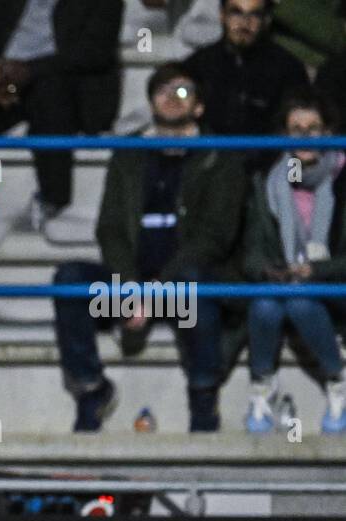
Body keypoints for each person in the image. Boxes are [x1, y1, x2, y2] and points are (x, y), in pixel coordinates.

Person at [51, 63, 243, 433]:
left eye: (183, 91)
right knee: (69, 280)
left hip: (181, 294)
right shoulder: (130, 154)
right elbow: (109, 228)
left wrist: (151, 292)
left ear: (199, 107)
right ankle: (93, 389)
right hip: (132, 288)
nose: (171, 98)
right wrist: (128, 285)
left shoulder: (220, 156)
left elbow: (214, 237)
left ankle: (203, 401)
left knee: (196, 282)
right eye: (162, 90)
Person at [0, 0, 125, 230]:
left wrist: (31, 71)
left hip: (68, 83)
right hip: (7, 77)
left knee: (50, 92)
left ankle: (53, 197)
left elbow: (95, 52)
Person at [240, 88, 346, 434]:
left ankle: (337, 380)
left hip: (333, 285)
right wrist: (269, 270)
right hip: (287, 284)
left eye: (312, 128)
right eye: (295, 129)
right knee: (264, 304)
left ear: (328, 133)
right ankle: (262, 387)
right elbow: (253, 247)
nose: (303, 137)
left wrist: (315, 270)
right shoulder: (268, 181)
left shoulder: (342, 179)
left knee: (301, 301)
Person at [183, 0, 309, 142]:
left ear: (266, 20)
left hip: (269, 157)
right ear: (222, 15)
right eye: (236, 13)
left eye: (254, 14)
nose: (244, 23)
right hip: (204, 156)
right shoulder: (196, 66)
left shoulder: (289, 68)